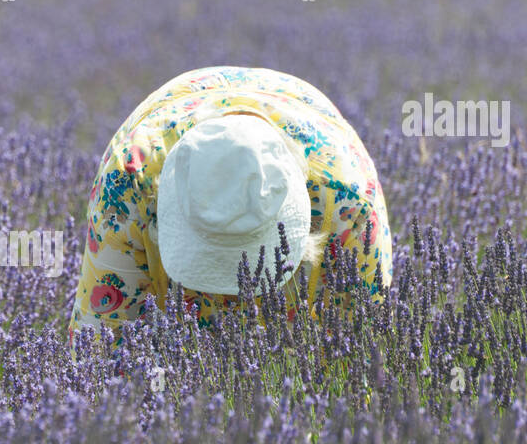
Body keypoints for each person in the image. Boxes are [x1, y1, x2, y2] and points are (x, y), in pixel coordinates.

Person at [70, 66, 392, 343]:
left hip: (299, 110)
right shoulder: (128, 190)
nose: (233, 295)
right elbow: (99, 353)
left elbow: (364, 362)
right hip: (182, 102)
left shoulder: (349, 206)